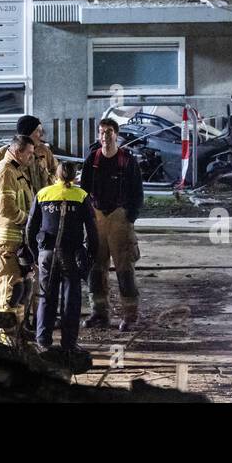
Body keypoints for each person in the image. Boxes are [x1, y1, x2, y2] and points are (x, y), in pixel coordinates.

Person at [25, 161, 98, 361]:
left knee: (46, 297)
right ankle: (68, 345)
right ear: (75, 177)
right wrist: (90, 257)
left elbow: (30, 228)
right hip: (71, 254)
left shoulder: (43, 194)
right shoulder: (81, 196)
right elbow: (92, 231)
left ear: (56, 175)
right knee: (70, 300)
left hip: (46, 253)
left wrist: (34, 254)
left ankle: (43, 342)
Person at [81, 117, 144, 331]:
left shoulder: (127, 161)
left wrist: (129, 217)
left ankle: (130, 315)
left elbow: (138, 192)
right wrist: (88, 218)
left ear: (116, 134)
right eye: (101, 132)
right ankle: (99, 313)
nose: (105, 136)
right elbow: (84, 191)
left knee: (125, 269)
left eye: (108, 132)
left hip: (120, 220)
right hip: (97, 218)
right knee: (96, 270)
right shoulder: (92, 160)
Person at [0, 135, 37, 343]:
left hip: (18, 240)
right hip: (8, 240)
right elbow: (6, 208)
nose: (32, 158)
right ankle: (4, 335)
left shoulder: (16, 171)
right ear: (18, 151)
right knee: (10, 288)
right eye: (29, 153)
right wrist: (29, 220)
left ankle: (17, 329)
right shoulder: (5, 172)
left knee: (22, 287)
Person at [0, 115, 57, 197]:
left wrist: (49, 186)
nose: (41, 134)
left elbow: (56, 171)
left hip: (41, 205)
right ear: (28, 132)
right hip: (19, 208)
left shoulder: (43, 150)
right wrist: (6, 194)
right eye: (38, 131)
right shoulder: (6, 153)